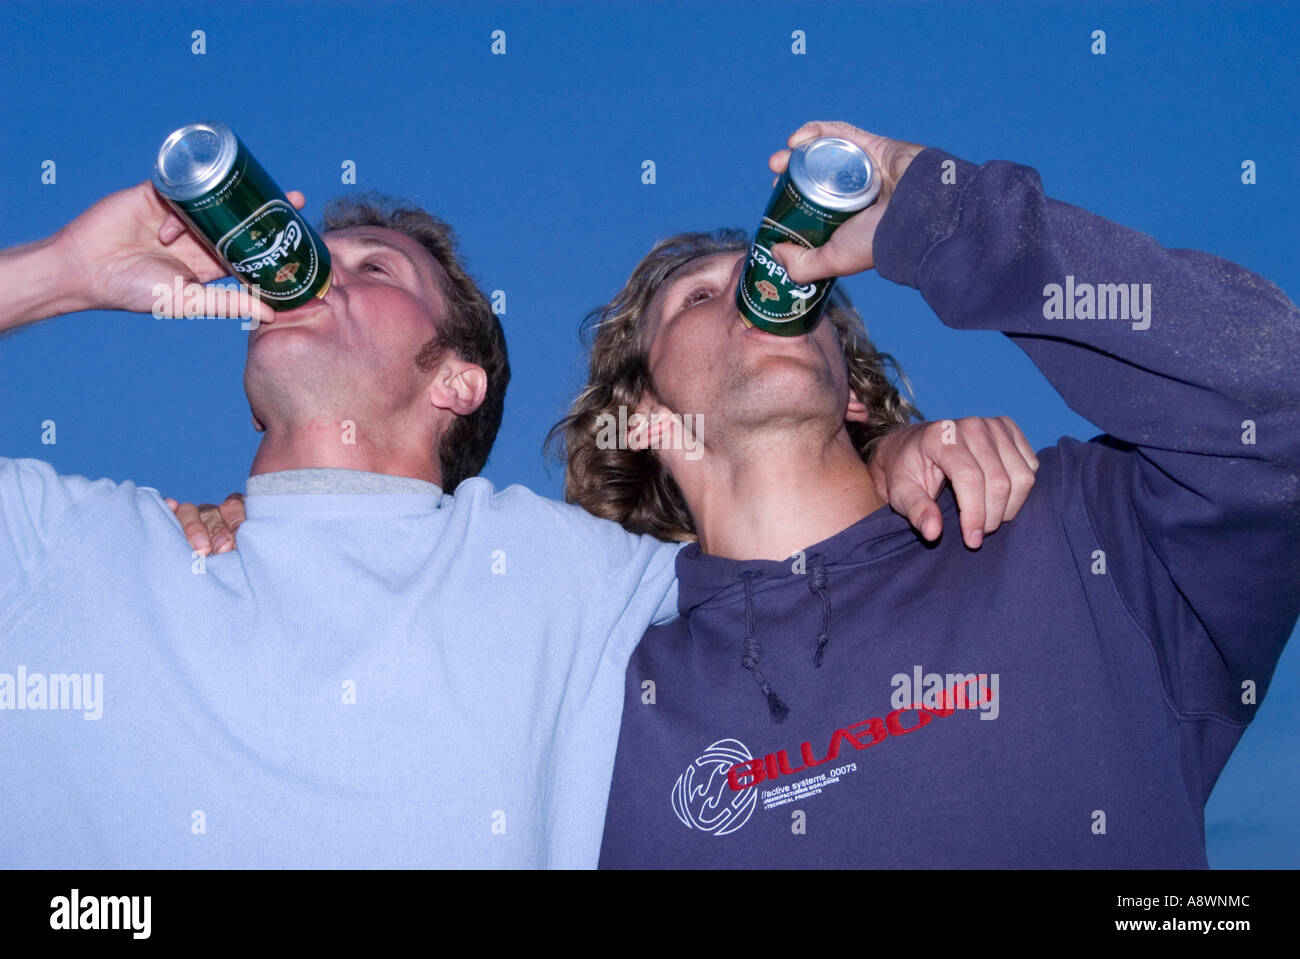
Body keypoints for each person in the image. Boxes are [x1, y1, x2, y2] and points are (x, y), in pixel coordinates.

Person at [0, 175, 1027, 868]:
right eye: (311, 260)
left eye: (374, 269)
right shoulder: (72, 547)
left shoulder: (573, 581)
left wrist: (896, 448)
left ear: (456, 380)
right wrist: (60, 275)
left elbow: (778, 511)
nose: (307, 274)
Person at [565, 122, 1300, 868]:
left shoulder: (1078, 538)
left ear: (851, 389)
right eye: (699, 297)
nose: (762, 287)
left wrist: (944, 214)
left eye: (777, 270)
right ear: (649, 419)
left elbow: (1279, 403)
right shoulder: (608, 701)